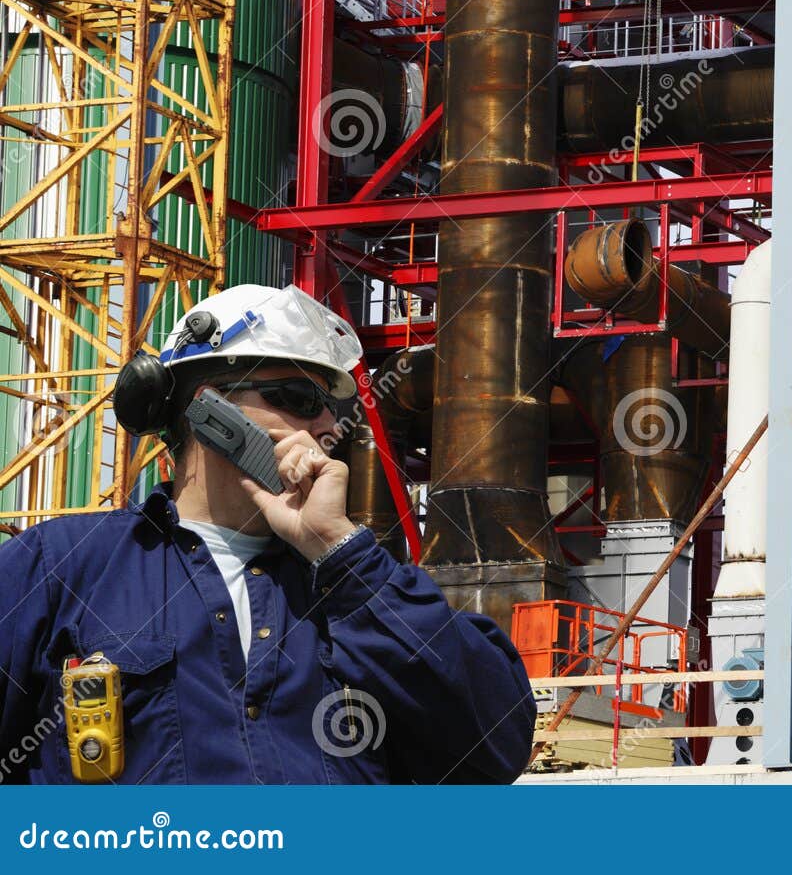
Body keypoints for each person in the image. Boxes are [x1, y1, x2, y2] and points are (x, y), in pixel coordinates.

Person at [0, 284, 537, 783]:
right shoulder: (58, 569)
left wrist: (340, 556)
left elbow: (493, 751)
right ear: (210, 409)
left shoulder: (364, 589)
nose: (330, 426)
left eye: (335, 408)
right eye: (300, 400)